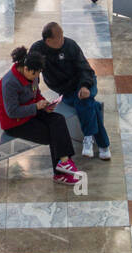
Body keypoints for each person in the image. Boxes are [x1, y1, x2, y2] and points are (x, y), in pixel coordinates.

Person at [0, 46, 81, 185]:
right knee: (53, 134)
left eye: (39, 74)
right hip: (15, 122)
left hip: (32, 111)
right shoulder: (9, 83)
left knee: (58, 120)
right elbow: (12, 112)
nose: (37, 77)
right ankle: (61, 171)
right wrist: (35, 106)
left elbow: (36, 93)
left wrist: (44, 104)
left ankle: (64, 163)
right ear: (26, 69)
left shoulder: (32, 75)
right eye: (35, 74)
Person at [28, 22, 111, 160]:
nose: (63, 39)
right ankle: (103, 146)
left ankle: (89, 137)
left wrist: (84, 86)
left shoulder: (70, 45)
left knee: (83, 99)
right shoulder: (37, 50)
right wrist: (34, 95)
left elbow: (85, 69)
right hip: (66, 90)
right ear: (48, 41)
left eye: (62, 35)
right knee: (91, 106)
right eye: (59, 37)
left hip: (86, 83)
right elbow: (32, 73)